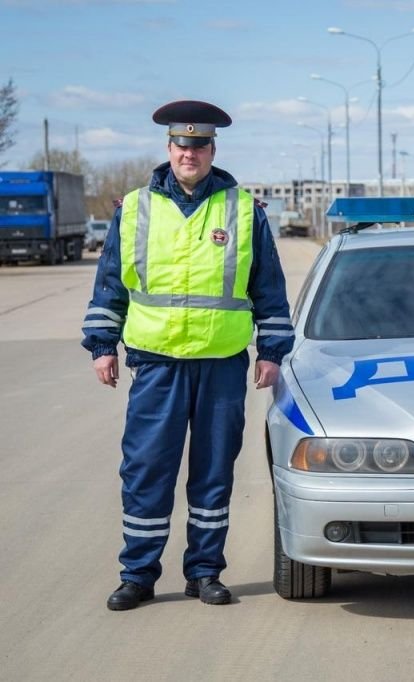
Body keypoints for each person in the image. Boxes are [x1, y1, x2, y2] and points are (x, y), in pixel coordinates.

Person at [81, 100, 294, 610]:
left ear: (212, 149)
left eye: (199, 145)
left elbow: (268, 286)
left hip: (221, 363)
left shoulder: (244, 209)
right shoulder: (133, 208)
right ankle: (138, 575)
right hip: (156, 363)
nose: (189, 153)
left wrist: (271, 350)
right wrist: (103, 345)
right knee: (146, 469)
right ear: (168, 148)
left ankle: (204, 572)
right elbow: (110, 282)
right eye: (182, 144)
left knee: (214, 470)